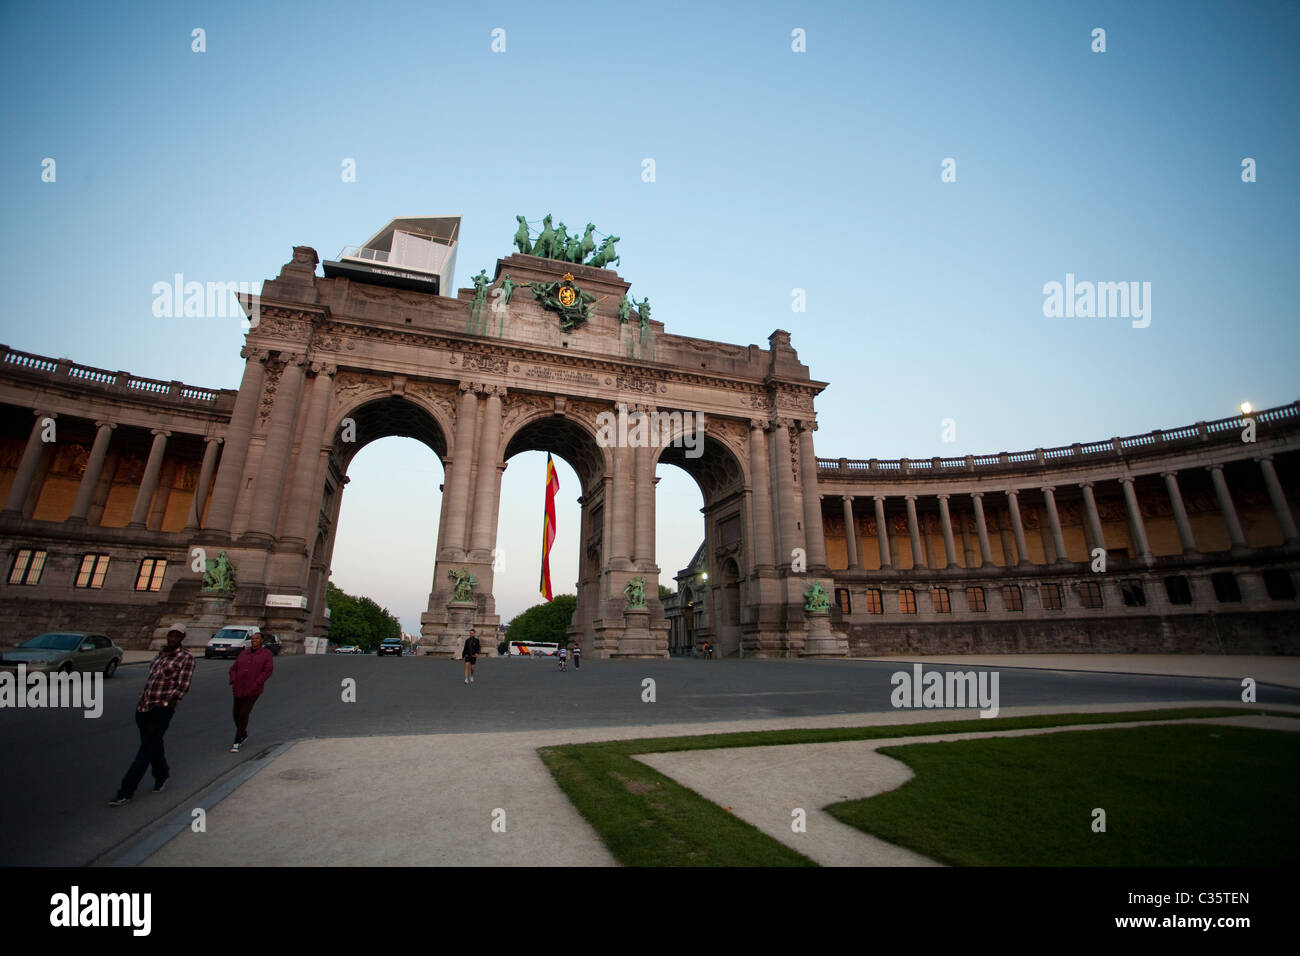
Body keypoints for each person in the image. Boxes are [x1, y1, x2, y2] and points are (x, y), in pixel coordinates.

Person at [109, 625, 195, 806]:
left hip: (161, 709)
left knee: (145, 750)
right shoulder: (160, 656)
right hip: (144, 707)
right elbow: (152, 679)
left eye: (177, 636)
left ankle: (125, 791)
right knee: (153, 744)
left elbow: (183, 686)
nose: (173, 638)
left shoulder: (186, 658)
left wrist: (169, 703)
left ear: (182, 637)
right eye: (171, 634)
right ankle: (162, 774)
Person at [228, 629, 274, 753]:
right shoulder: (243, 653)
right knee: (236, 714)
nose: (254, 641)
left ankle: (237, 740)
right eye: (253, 639)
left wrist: (258, 682)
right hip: (238, 687)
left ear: (262, 641)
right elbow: (233, 669)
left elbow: (268, 670)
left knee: (243, 713)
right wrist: (233, 680)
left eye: (257, 639)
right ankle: (243, 733)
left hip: (253, 689)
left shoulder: (266, 654)